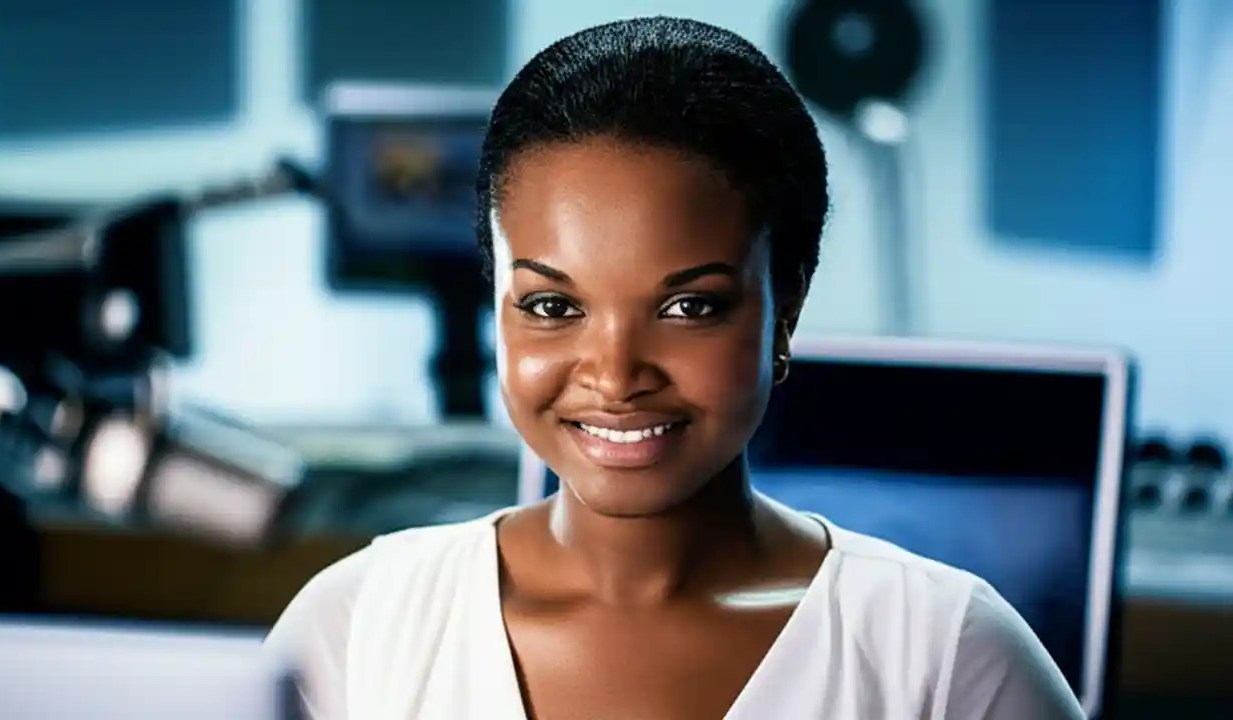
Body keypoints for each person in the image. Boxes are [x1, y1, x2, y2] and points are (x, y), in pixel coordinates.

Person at [266, 16, 1084, 719]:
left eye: (688, 306)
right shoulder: (359, 626)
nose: (616, 375)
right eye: (553, 307)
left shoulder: (945, 658)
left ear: (786, 305)